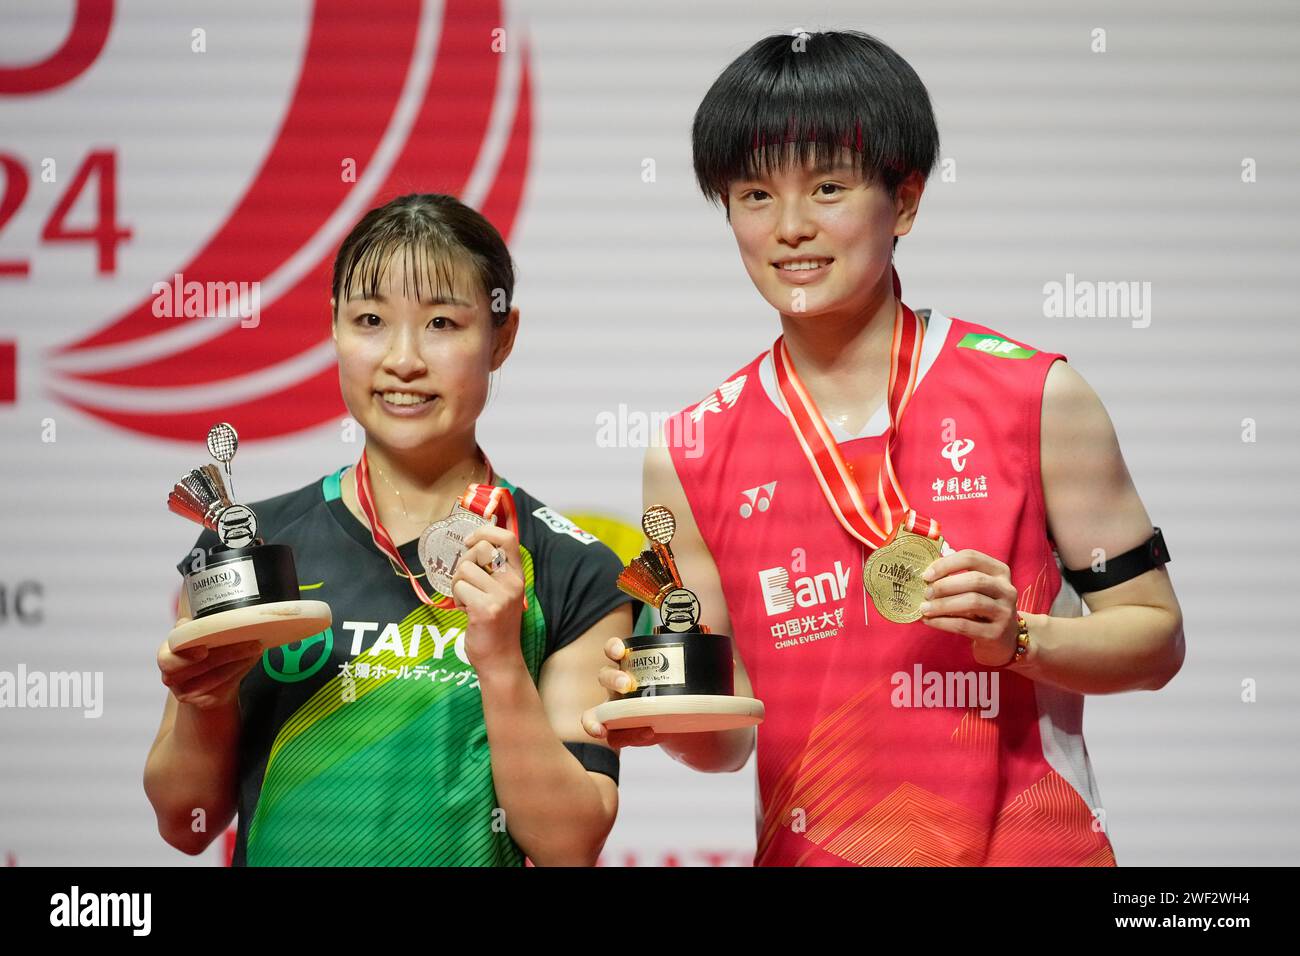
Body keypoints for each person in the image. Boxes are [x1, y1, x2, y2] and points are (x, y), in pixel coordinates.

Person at [583, 30, 1184, 866]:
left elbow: (1156, 639)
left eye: (827, 187)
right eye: (754, 195)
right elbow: (728, 743)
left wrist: (1021, 639)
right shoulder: (687, 451)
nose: (790, 228)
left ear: (904, 201)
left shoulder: (1037, 396)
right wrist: (666, 712)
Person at [145, 193, 632, 866]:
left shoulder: (574, 570)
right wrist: (204, 702)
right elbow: (185, 823)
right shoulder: (247, 551)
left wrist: (497, 660)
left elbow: (568, 844)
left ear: (503, 336)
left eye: (441, 323)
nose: (403, 359)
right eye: (370, 320)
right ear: (335, 330)